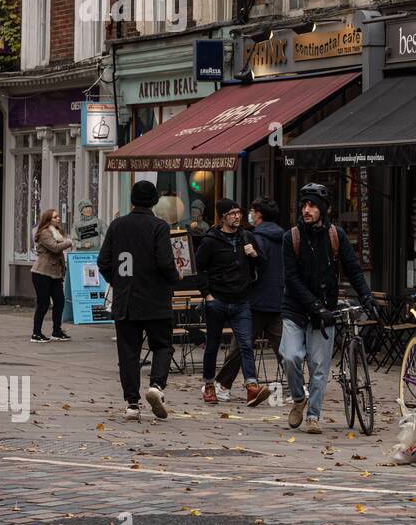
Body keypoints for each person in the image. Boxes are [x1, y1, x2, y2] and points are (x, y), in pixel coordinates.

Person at [282, 183, 373, 434]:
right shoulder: (291, 237)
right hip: (296, 308)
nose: (307, 210)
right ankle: (299, 398)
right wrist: (313, 305)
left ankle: (313, 415)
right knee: (291, 356)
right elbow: (291, 278)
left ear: (323, 209)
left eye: (312, 205)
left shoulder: (336, 235)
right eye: (304, 205)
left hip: (326, 309)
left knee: (319, 367)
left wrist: (366, 296)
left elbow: (353, 269)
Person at [98, 180, 181, 421]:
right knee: (163, 345)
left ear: (132, 201)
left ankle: (132, 404)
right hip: (155, 300)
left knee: (128, 353)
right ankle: (156, 385)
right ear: (155, 201)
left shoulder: (117, 226)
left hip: (125, 300)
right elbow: (165, 262)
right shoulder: (159, 227)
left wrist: (117, 281)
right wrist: (174, 278)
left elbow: (103, 261)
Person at [196, 198, 270, 407]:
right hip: (217, 301)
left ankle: (252, 387)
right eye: (232, 213)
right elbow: (199, 268)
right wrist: (207, 295)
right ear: (223, 217)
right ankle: (210, 386)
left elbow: (263, 265)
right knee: (212, 345)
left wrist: (254, 255)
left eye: (239, 212)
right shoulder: (210, 241)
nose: (237, 216)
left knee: (246, 345)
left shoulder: (247, 237)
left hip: (241, 302)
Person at [213, 198, 285, 401]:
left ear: (259, 214)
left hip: (254, 300)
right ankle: (298, 387)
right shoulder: (285, 237)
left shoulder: (254, 238)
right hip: (277, 297)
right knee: (282, 348)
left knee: (241, 346)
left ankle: (222, 385)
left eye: (252, 211)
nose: (249, 215)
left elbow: (253, 268)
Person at [30, 208, 73, 343]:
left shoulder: (57, 232)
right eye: (55, 217)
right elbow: (55, 247)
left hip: (55, 274)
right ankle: (36, 333)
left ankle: (57, 331)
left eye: (58, 216)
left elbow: (59, 248)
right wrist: (69, 242)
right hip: (41, 273)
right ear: (48, 219)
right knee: (43, 303)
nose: (58, 219)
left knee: (59, 301)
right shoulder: (44, 233)